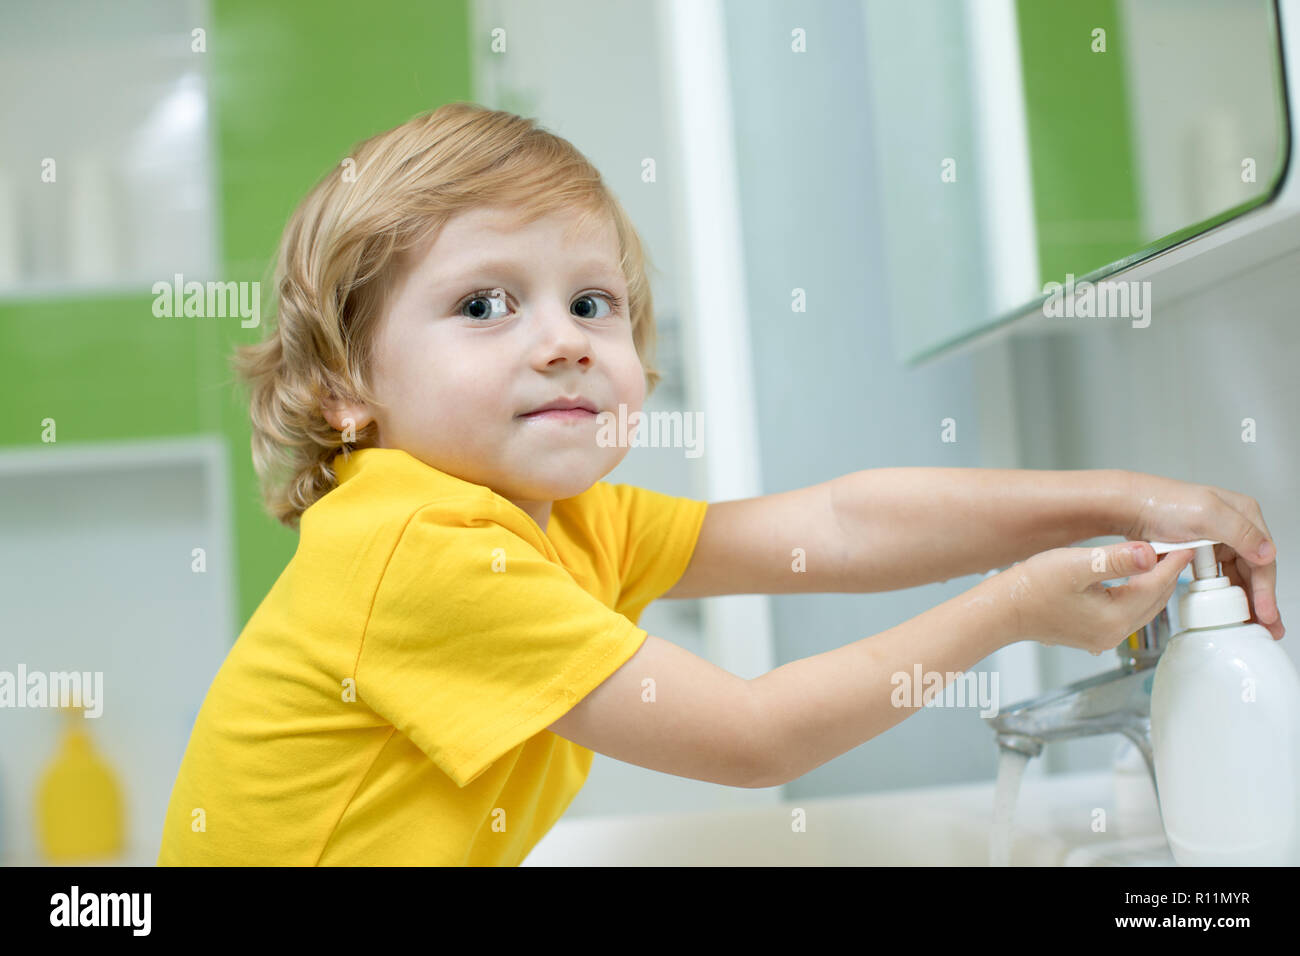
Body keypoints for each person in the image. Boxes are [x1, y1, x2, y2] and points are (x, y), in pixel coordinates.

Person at [156, 102, 1282, 866]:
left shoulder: (564, 521)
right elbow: (752, 735)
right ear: (346, 386)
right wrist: (1014, 608)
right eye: (485, 304)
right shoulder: (419, 545)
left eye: (592, 303)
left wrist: (1124, 499)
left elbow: (834, 525)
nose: (562, 341)